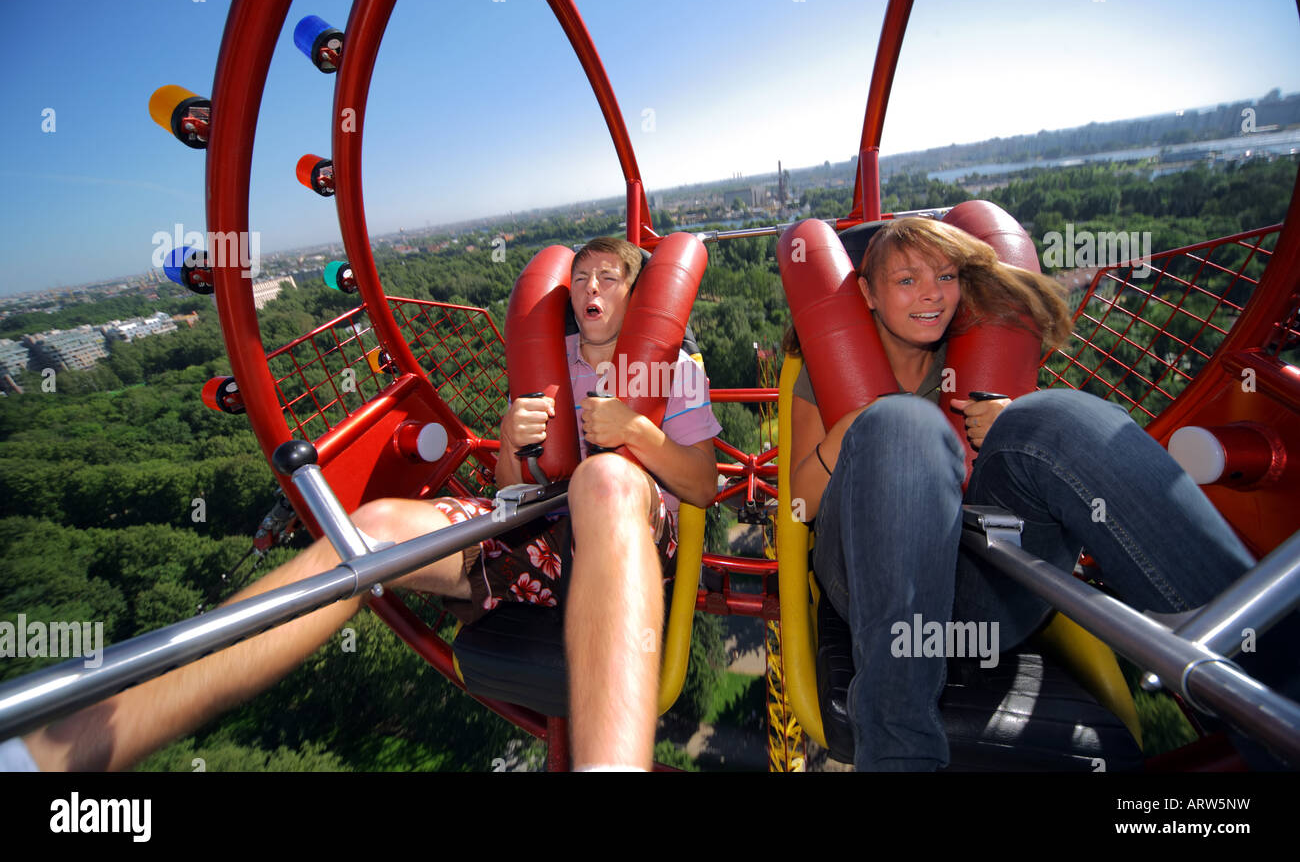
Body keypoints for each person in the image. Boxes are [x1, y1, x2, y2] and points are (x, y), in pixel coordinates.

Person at [10, 236, 720, 772]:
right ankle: (74, 738)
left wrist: (637, 436)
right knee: (375, 527)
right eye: (581, 277)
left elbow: (702, 483)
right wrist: (511, 438)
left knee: (603, 482)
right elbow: (513, 483)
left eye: (609, 277)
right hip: (533, 540)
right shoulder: (546, 365)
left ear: (636, 293)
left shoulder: (675, 370)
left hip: (627, 536)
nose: (591, 287)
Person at [786, 216, 1268, 772]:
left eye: (945, 276)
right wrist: (852, 431)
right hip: (873, 580)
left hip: (980, 588)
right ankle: (899, 755)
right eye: (906, 280)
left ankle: (1267, 678)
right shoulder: (825, 369)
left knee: (1056, 414)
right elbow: (802, 503)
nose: (931, 295)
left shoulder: (972, 358)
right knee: (903, 425)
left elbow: (1026, 478)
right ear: (867, 293)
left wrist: (1011, 422)